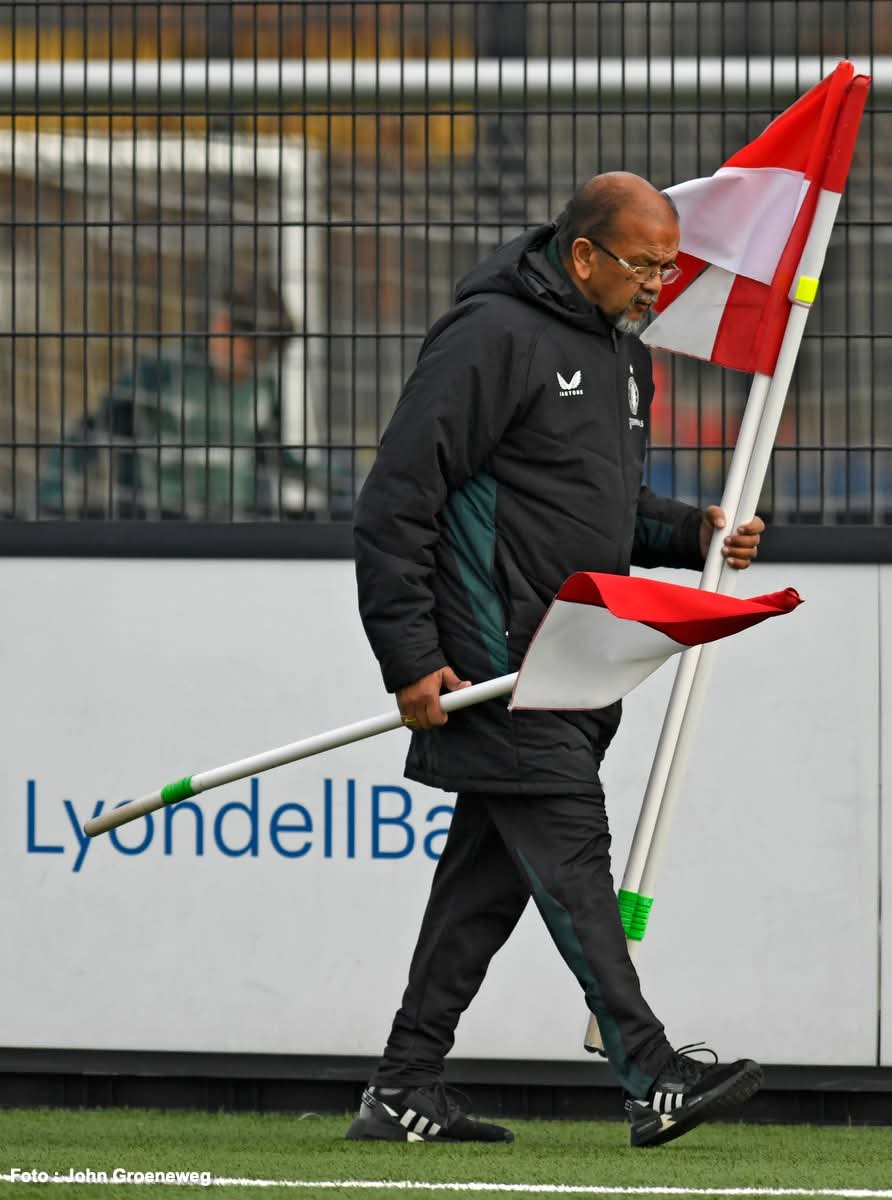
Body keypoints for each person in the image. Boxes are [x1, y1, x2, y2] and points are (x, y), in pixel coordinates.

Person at [350, 172, 766, 1148]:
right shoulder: (490, 335)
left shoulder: (625, 354)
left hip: (574, 665)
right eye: (643, 265)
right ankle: (651, 1073)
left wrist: (692, 531)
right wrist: (410, 656)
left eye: (670, 267)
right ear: (582, 256)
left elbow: (601, 506)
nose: (659, 285)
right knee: (574, 855)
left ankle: (403, 1088)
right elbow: (395, 501)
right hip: (496, 669)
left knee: (484, 883)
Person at [39, 276, 296, 519]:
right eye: (249, 357)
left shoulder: (264, 388)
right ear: (223, 325)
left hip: (232, 529)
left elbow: (274, 455)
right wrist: (51, 496)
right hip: (157, 530)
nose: (251, 369)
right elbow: (91, 433)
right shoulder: (160, 373)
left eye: (261, 361)